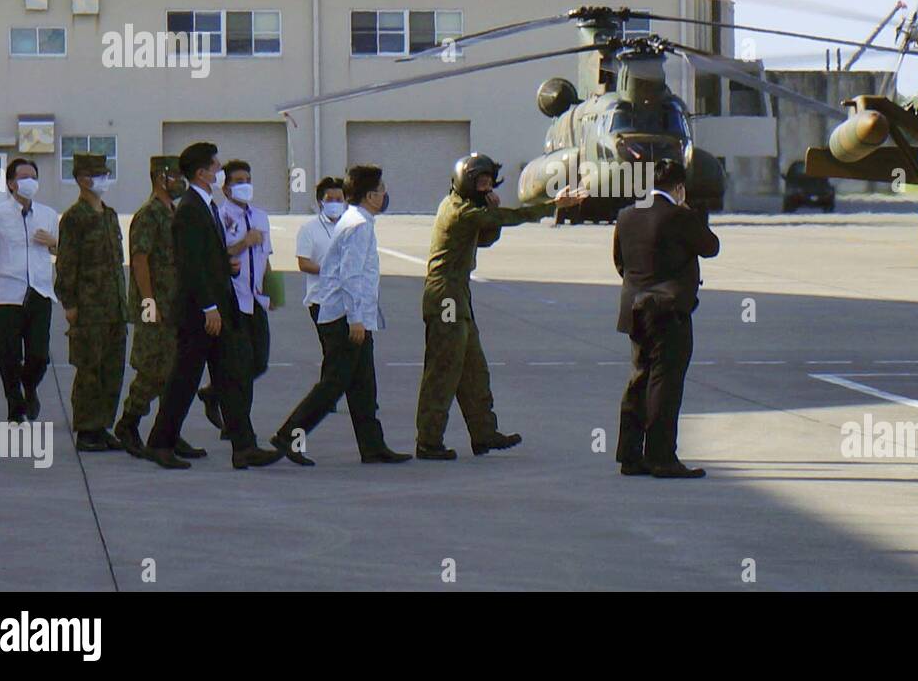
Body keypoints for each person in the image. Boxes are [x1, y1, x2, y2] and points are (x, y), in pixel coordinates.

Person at [414, 153, 585, 460]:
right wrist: (553, 205)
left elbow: (486, 237)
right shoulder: (459, 210)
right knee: (444, 369)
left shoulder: (465, 206)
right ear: (465, 182)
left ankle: (484, 434)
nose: (486, 189)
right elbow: (504, 219)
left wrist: (490, 209)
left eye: (488, 184)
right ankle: (429, 440)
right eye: (480, 183)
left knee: (473, 369)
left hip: (457, 294)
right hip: (446, 296)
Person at [142, 142, 282, 470]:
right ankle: (160, 442)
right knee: (185, 379)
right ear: (203, 173)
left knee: (232, 376)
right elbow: (191, 264)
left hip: (218, 307)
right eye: (216, 167)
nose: (219, 172)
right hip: (201, 313)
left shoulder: (205, 205)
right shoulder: (191, 209)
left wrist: (225, 264)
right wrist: (209, 307)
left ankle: (243, 446)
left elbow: (208, 255)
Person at [272, 164, 411, 465]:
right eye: (382, 190)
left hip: (347, 314)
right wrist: (356, 318)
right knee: (335, 383)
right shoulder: (359, 225)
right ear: (372, 195)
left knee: (363, 385)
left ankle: (372, 446)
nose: (386, 195)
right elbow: (350, 276)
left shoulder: (355, 220)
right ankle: (289, 434)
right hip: (345, 317)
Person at [613, 159, 719, 479]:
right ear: (679, 186)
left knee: (639, 379)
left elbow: (621, 263)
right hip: (667, 310)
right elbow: (710, 246)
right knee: (665, 383)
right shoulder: (678, 215)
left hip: (634, 308)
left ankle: (630, 455)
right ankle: (661, 456)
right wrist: (694, 213)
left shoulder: (628, 215)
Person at [113, 156, 205, 459]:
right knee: (153, 369)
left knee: (173, 371)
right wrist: (149, 301)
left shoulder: (173, 211)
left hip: (174, 305)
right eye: (175, 176)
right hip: (155, 305)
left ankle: (169, 430)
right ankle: (128, 423)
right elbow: (140, 260)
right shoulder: (149, 214)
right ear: (160, 177)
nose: (181, 181)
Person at [0, 158, 59, 423]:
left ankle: (29, 387)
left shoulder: (48, 215)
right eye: (24, 177)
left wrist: (55, 243)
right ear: (11, 183)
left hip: (40, 292)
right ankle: (15, 405)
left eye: (34, 176)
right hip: (8, 294)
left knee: (39, 355)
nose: (30, 182)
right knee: (8, 355)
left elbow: (57, 249)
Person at [54, 152, 129, 452]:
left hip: (114, 308)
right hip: (88, 307)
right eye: (99, 175)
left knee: (112, 370)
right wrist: (69, 303)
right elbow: (66, 264)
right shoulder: (75, 218)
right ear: (83, 179)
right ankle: (87, 429)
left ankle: (102, 426)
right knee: (89, 369)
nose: (104, 180)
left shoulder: (108, 215)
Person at [198, 160, 275, 433]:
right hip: (234, 300)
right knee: (240, 366)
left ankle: (215, 392)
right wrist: (243, 243)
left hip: (256, 299)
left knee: (259, 361)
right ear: (226, 187)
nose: (244, 186)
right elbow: (216, 256)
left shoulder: (260, 217)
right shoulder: (220, 216)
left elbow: (267, 258)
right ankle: (238, 425)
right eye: (238, 181)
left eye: (247, 180)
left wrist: (273, 291)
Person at [296, 176, 346, 408]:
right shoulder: (309, 229)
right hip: (320, 299)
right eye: (330, 199)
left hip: (347, 298)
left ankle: (335, 392)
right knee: (332, 348)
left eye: (339, 198)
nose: (335, 203)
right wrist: (329, 271)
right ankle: (328, 394)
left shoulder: (350, 226)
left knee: (345, 350)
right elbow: (304, 263)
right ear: (320, 201)